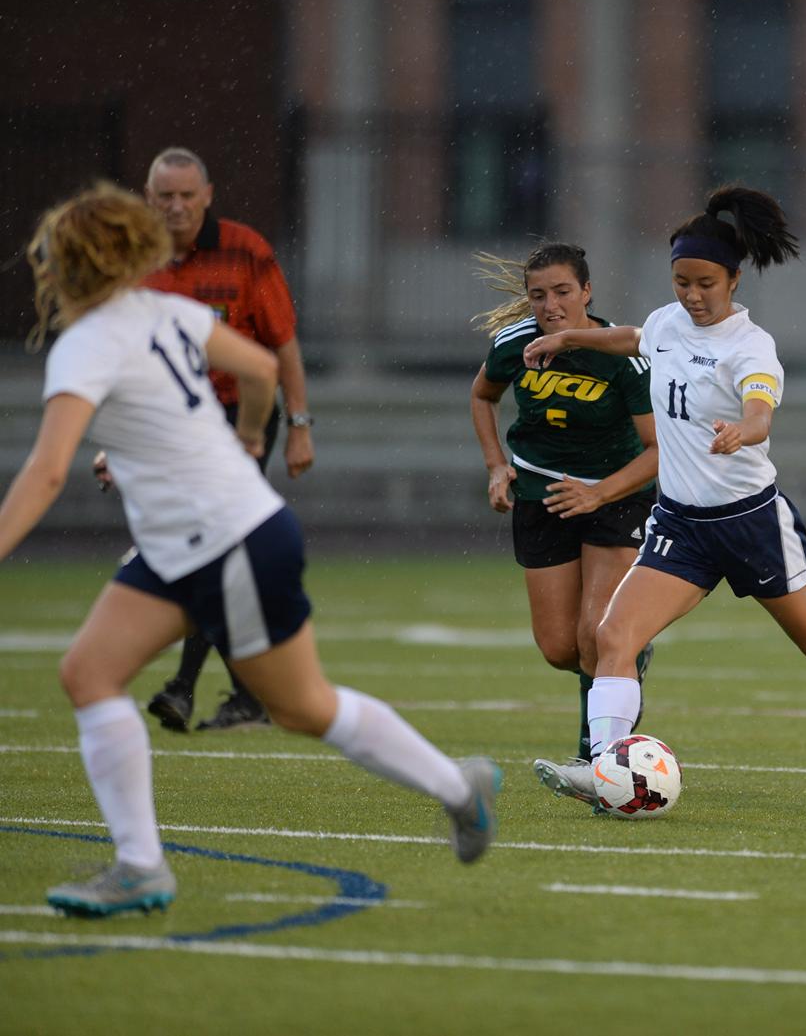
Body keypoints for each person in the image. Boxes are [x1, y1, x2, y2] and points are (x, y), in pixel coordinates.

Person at [1, 182, 499, 917]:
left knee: (302, 707)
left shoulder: (87, 342)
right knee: (88, 673)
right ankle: (140, 866)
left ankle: (460, 788)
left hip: (227, 540)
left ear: (71, 266)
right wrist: (244, 438)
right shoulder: (166, 309)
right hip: (185, 544)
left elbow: (46, 472)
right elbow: (259, 370)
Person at [523, 186, 806, 810]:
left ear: (734, 279)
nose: (692, 296)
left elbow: (760, 409)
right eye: (682, 282)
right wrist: (570, 340)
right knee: (615, 635)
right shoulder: (668, 323)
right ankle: (604, 767)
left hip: (750, 522)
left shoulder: (751, 347)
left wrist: (745, 431)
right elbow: (636, 337)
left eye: (706, 283)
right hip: (680, 525)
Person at [128, 146, 316, 733]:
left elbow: (281, 343)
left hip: (240, 421)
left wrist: (298, 425)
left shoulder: (245, 250)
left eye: (187, 195)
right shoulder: (133, 259)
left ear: (207, 195)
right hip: (170, 423)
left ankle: (186, 686)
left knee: (209, 546)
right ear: (148, 197)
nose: (177, 206)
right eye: (165, 196)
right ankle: (248, 695)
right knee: (213, 556)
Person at [468, 242, 659, 762]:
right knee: (559, 647)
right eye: (539, 295)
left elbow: (659, 450)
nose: (550, 305)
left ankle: (597, 758)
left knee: (597, 634)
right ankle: (629, 659)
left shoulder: (623, 357)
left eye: (562, 292)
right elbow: (483, 395)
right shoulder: (514, 343)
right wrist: (496, 465)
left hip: (617, 496)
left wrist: (598, 492)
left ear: (587, 291)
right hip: (543, 495)